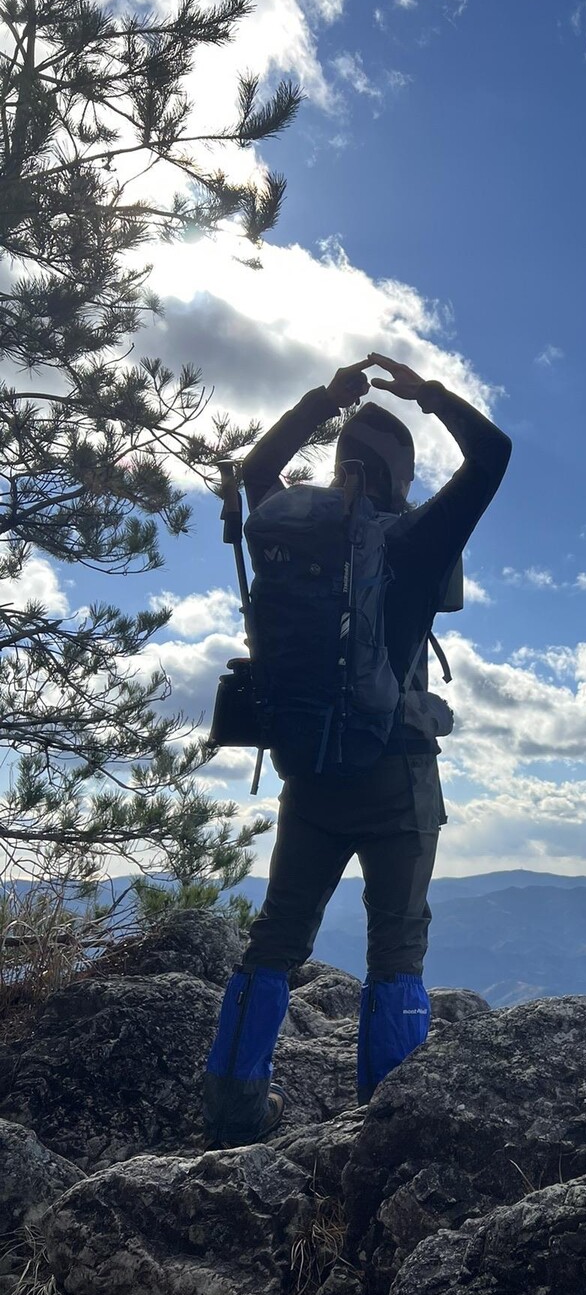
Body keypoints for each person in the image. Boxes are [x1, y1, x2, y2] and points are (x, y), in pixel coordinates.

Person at [203, 353, 512, 1147]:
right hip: (397, 779)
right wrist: (429, 393)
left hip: (308, 771)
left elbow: (255, 468)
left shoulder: (283, 526)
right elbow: (494, 458)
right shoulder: (412, 541)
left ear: (341, 461)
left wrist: (325, 399)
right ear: (400, 473)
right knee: (396, 952)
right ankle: (385, 1133)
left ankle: (232, 1113)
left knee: (275, 940)